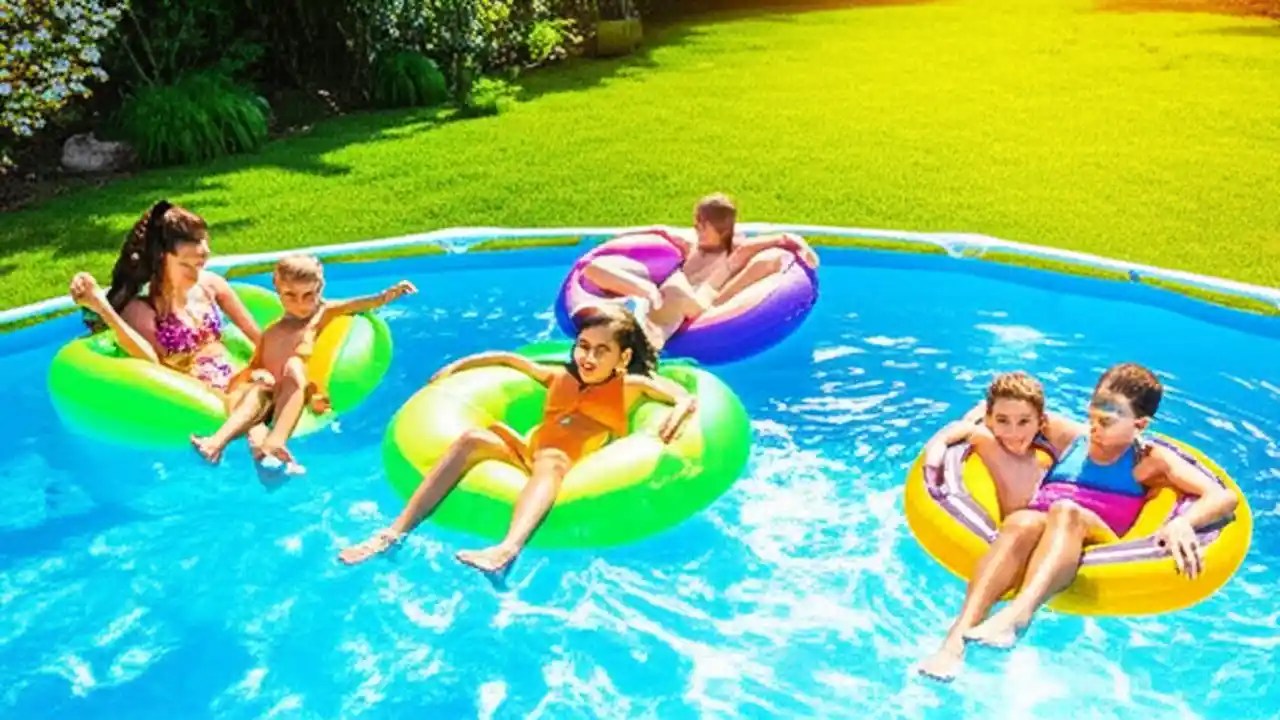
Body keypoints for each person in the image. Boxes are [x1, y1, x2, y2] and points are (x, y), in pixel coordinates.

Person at [921, 363, 1239, 681]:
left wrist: (1183, 522)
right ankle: (952, 644)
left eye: (1106, 421)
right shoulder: (1071, 437)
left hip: (1094, 532)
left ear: (1139, 424)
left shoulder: (1148, 460)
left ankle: (1018, 615)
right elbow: (992, 410)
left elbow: (1223, 497)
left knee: (1065, 511)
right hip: (1044, 523)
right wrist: (951, 436)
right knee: (1020, 522)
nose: (1094, 428)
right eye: (1092, 415)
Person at [337, 303, 697, 574]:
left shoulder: (628, 386)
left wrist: (681, 407)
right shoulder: (559, 377)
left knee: (552, 458)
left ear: (623, 357)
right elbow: (508, 360)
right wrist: (456, 367)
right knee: (472, 439)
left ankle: (507, 549)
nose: (588, 357)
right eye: (584, 346)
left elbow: (678, 394)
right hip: (527, 452)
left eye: (602, 350)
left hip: (567, 463)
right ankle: (393, 533)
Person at [190, 254, 416, 472]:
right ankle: (215, 444)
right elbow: (255, 366)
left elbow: (359, 304)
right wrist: (257, 374)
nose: (301, 303)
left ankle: (276, 442)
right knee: (258, 392)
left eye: (309, 294)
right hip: (264, 396)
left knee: (293, 366)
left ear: (320, 288)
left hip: (293, 392)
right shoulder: (272, 332)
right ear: (277, 290)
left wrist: (388, 294)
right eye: (290, 295)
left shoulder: (321, 314)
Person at [916, 371, 1070, 681]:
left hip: (1059, 534)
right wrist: (935, 454)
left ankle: (1002, 625)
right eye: (1002, 421)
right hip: (1017, 533)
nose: (1013, 432)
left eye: (1024, 422)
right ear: (989, 419)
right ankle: (953, 644)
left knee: (1031, 522)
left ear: (1041, 422)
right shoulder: (985, 441)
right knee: (1023, 524)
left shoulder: (1050, 455)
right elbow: (955, 431)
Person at [68, 199, 263, 403]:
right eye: (186, 265)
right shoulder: (142, 310)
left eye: (200, 264)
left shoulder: (211, 286)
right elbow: (154, 368)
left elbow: (259, 340)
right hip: (197, 398)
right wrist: (102, 307)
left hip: (235, 377)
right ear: (160, 259)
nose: (196, 275)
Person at [580, 192, 820, 348]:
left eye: (702, 226)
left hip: (698, 303)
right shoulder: (691, 245)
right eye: (696, 224)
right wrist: (618, 238)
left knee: (674, 290)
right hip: (668, 296)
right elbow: (659, 230)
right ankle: (642, 301)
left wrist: (804, 250)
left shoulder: (735, 251)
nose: (696, 229)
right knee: (593, 268)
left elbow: (784, 239)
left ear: (723, 231)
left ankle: (644, 340)